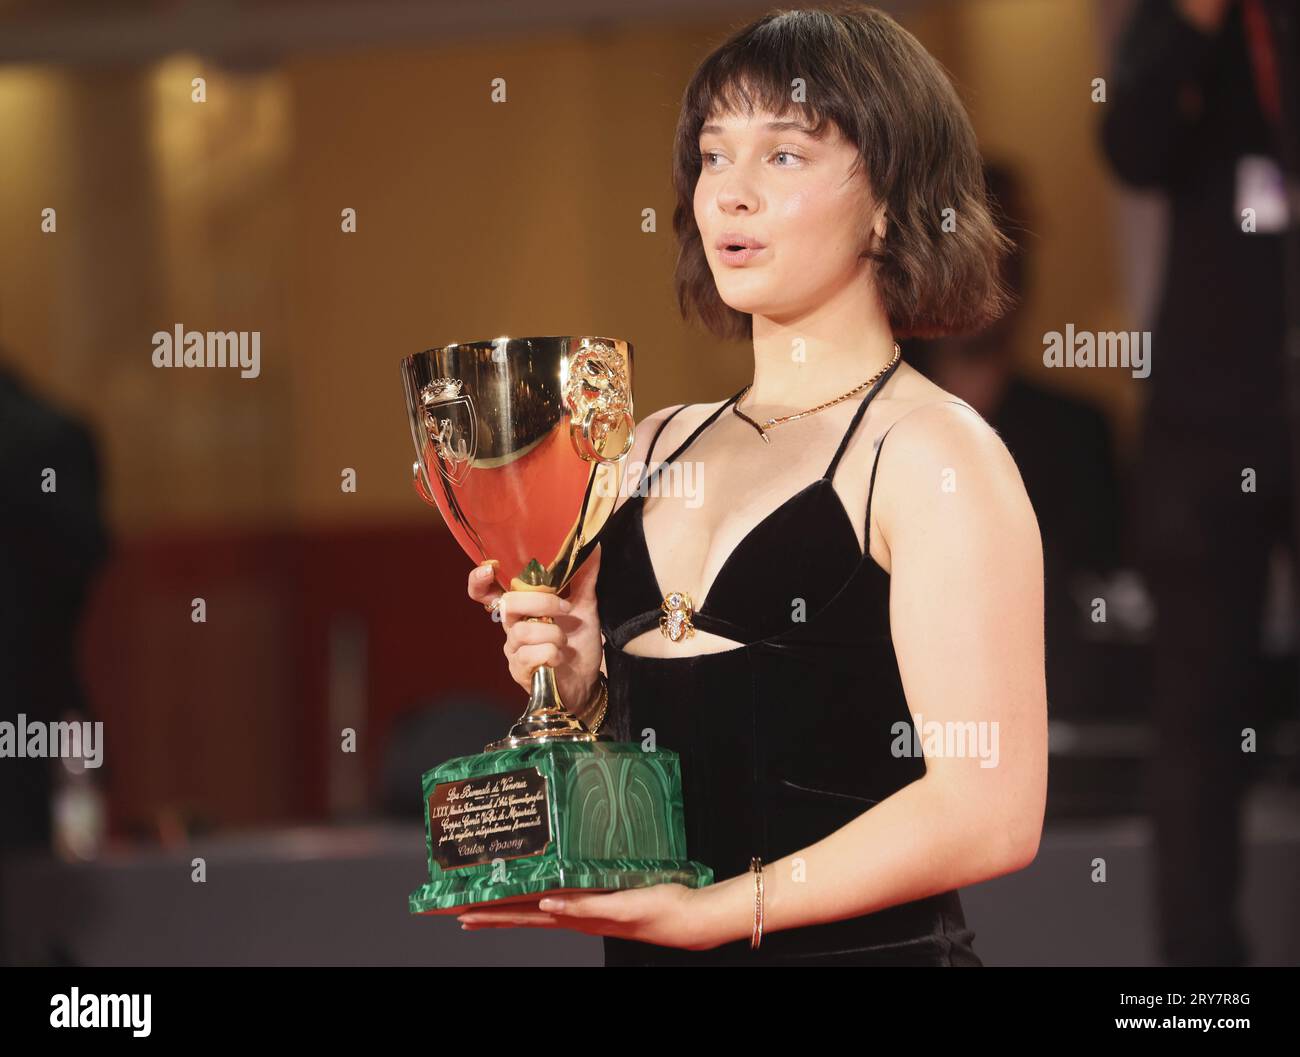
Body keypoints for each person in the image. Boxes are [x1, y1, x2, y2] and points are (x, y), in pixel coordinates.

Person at [464, 4, 1048, 965]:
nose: (730, 193)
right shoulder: (646, 448)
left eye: (783, 156)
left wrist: (714, 912)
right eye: (713, 154)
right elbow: (665, 774)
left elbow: (990, 811)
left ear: (892, 199)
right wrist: (578, 692)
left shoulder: (934, 454)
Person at [1099, 0, 1299, 967]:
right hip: (1209, 413)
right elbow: (1131, 145)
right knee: (1195, 711)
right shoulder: (1179, 22)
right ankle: (1203, 980)